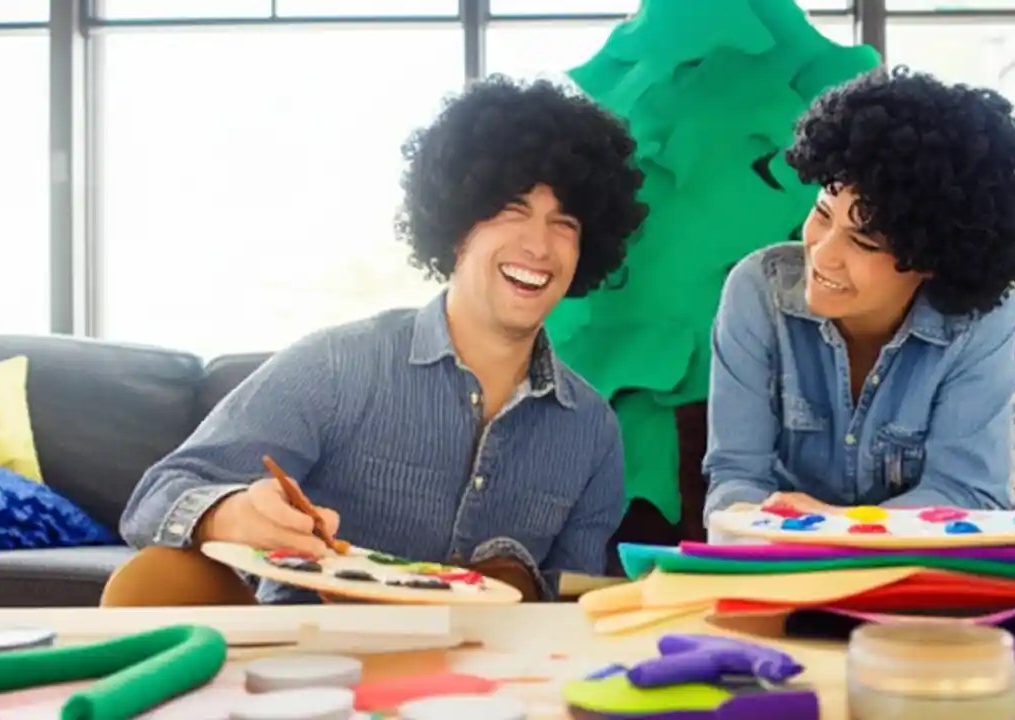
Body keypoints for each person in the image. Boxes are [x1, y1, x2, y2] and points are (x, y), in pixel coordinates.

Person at [117, 74, 648, 604]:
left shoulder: (591, 431)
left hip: (488, 676)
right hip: (312, 665)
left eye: (565, 224)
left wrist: (520, 577)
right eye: (512, 211)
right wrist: (227, 514)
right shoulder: (336, 368)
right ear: (457, 224)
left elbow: (577, 602)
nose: (538, 245)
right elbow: (157, 497)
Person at [702, 66, 1015, 530]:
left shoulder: (980, 320)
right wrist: (767, 528)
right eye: (822, 213)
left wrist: (840, 525)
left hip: (919, 578)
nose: (824, 255)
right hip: (780, 567)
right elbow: (735, 482)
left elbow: (966, 493)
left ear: (931, 259)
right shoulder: (757, 291)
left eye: (865, 242)